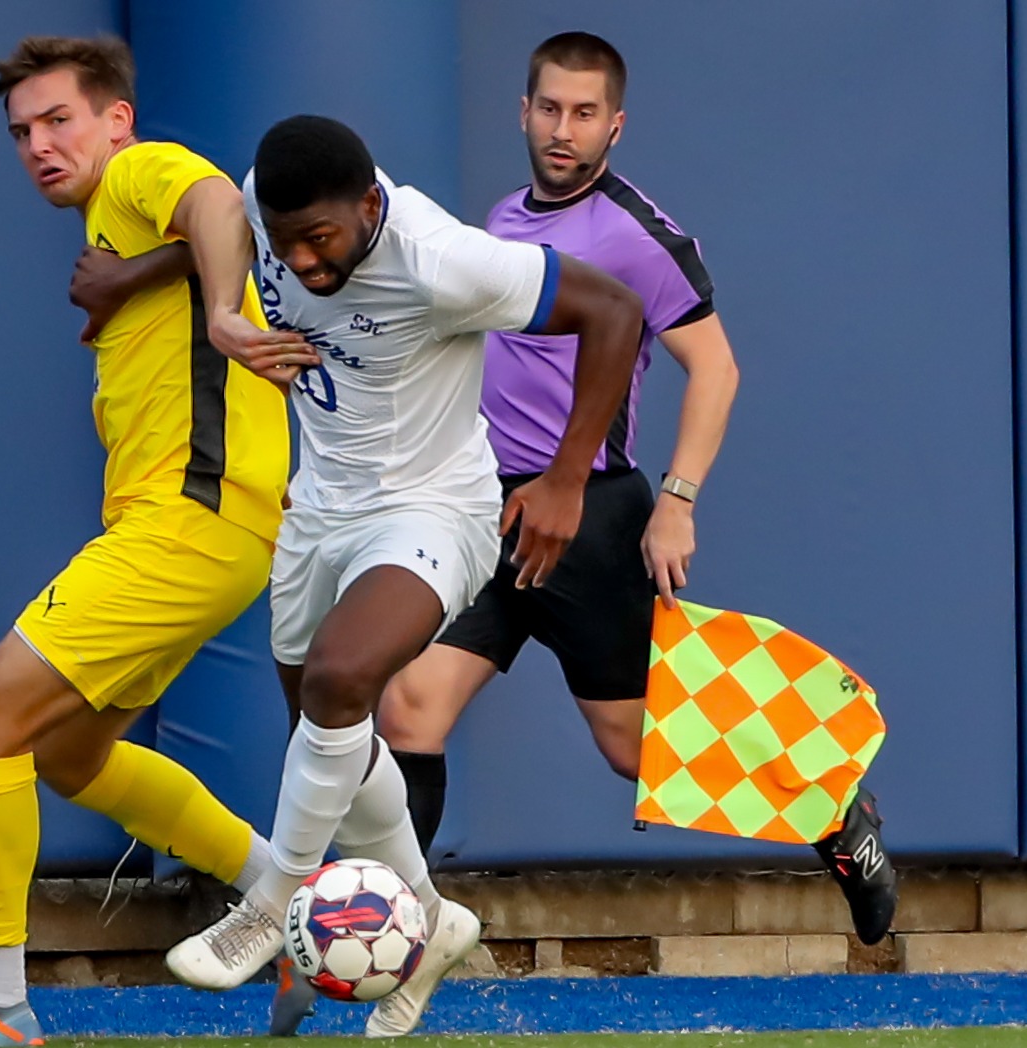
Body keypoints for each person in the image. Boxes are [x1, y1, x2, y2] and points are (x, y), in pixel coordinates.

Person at [374, 31, 897, 950]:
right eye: (548, 109)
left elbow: (719, 367)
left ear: (616, 124)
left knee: (630, 747)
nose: (563, 131)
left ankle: (832, 809)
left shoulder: (635, 234)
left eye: (584, 114)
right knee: (409, 708)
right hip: (483, 513)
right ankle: (399, 941)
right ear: (523, 112)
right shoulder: (501, 218)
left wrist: (679, 499)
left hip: (587, 522)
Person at [0, 34, 316, 1048]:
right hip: (210, 531)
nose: (37, 144)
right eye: (21, 131)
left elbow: (219, 204)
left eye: (58, 119)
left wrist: (213, 312)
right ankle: (288, 901)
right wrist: (145, 286)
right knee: (71, 752)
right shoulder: (115, 237)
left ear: (116, 118)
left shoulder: (139, 175)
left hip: (188, 522)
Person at [161, 115, 649, 1039]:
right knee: (325, 723)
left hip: (435, 510)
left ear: (370, 207)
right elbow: (221, 209)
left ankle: (274, 899)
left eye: (323, 239)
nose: (302, 262)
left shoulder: (439, 258)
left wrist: (567, 478)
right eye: (287, 238)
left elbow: (615, 311)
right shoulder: (271, 194)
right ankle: (431, 919)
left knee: (345, 683)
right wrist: (225, 314)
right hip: (321, 507)